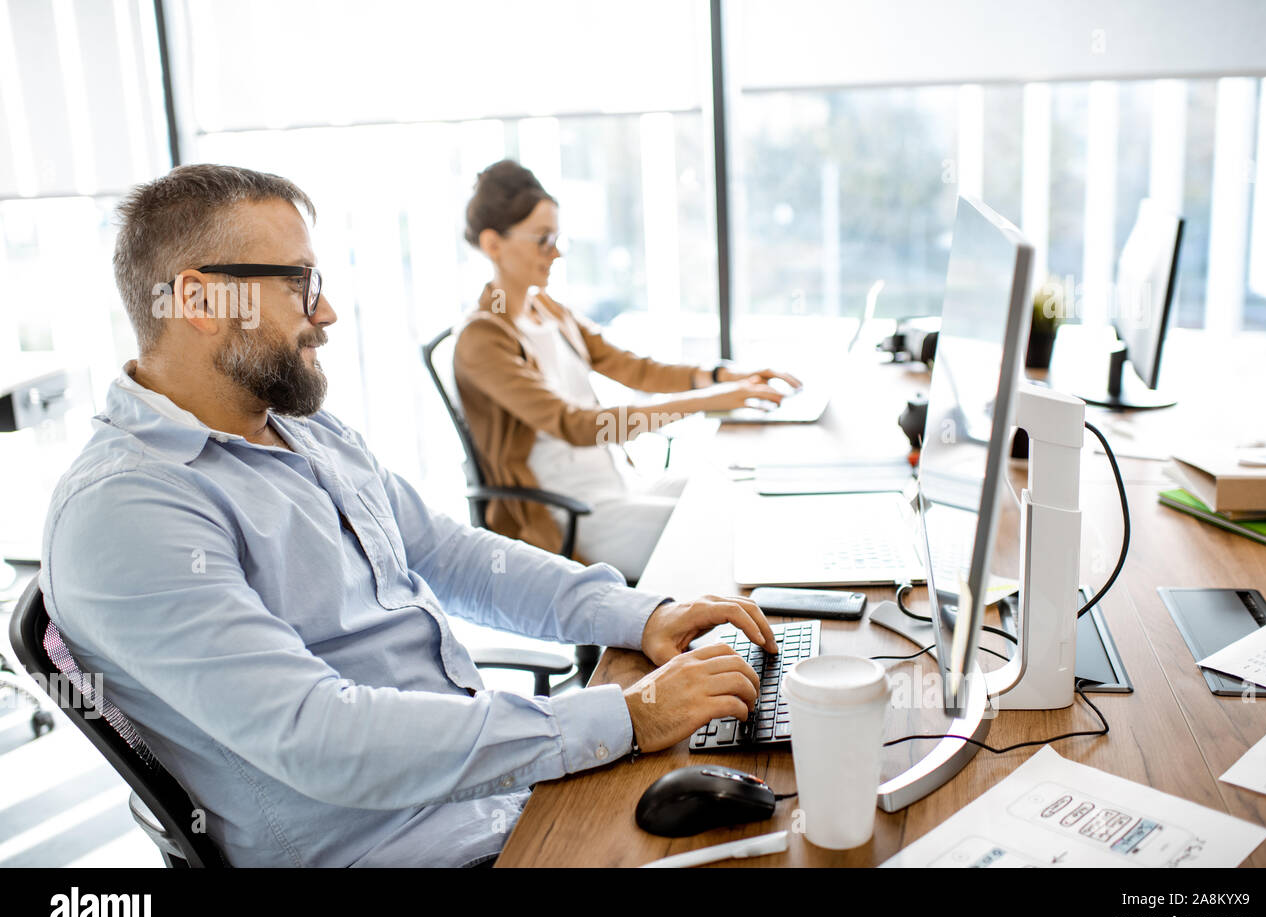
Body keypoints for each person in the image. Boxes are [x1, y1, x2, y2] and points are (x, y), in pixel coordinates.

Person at [40, 163, 779, 867]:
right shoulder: (128, 509)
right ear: (199, 301)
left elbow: (451, 555)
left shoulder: (300, 428)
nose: (324, 311)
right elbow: (318, 736)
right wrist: (626, 716)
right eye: (299, 282)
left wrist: (640, 615)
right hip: (405, 848)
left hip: (488, 801)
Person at [454, 160, 800, 580]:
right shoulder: (482, 339)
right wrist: (705, 402)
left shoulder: (547, 309)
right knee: (724, 531)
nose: (557, 251)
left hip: (620, 485)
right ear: (493, 244)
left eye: (558, 238)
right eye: (543, 239)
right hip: (570, 512)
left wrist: (720, 377)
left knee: (739, 493)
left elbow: (634, 369)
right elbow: (576, 426)